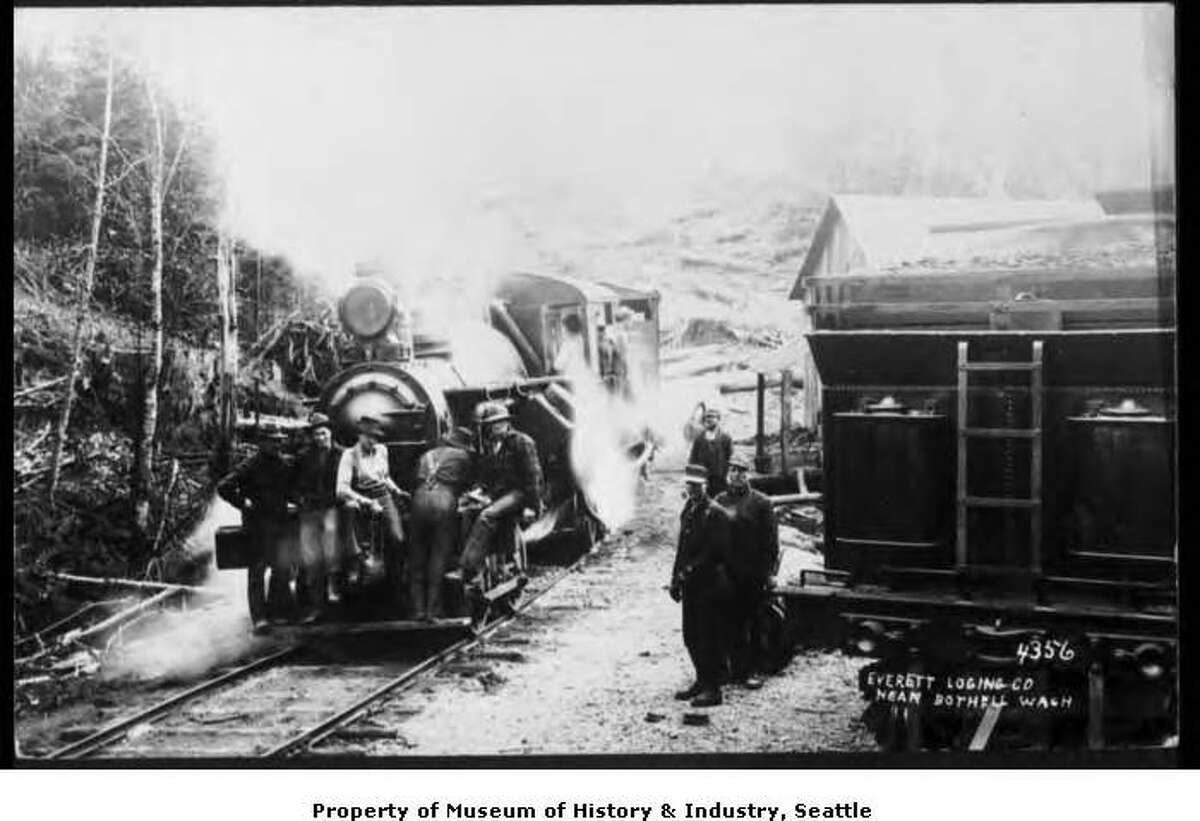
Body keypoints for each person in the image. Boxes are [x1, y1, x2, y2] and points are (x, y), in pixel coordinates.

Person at [457, 401, 543, 600]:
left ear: (507, 423)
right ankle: (481, 565)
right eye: (491, 424)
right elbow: (485, 475)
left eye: (499, 423)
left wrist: (532, 506)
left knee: (487, 515)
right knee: (467, 511)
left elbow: (533, 477)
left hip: (519, 492)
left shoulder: (522, 442)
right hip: (499, 494)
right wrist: (477, 490)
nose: (495, 427)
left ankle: (468, 567)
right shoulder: (489, 446)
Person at [216, 428, 298, 629]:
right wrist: (243, 503)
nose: (277, 445)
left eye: (279, 441)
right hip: (257, 527)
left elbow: (290, 490)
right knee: (257, 571)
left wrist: (294, 502)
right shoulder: (250, 465)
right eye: (272, 441)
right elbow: (224, 487)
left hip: (280, 523)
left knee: (281, 569)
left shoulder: (283, 464)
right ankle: (259, 618)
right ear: (262, 443)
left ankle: (275, 612)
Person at [670, 463, 734, 708]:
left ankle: (713, 689)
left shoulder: (715, 513)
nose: (693, 488)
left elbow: (715, 552)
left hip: (710, 585)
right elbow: (682, 549)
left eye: (697, 485)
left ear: (706, 485)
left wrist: (689, 571)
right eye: (689, 484)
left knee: (709, 637)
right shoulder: (689, 509)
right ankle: (701, 680)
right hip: (691, 585)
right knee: (691, 636)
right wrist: (675, 578)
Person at [714, 454, 780, 690]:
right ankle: (733, 668)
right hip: (725, 573)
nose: (736, 475)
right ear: (727, 475)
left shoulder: (761, 503)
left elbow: (771, 543)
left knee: (752, 622)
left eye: (741, 472)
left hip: (752, 573)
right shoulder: (719, 500)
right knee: (726, 620)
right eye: (732, 471)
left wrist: (769, 573)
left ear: (748, 475)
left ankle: (752, 671)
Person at [336, 416, 410, 602]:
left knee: (397, 538)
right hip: (361, 498)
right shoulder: (349, 455)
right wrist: (367, 503)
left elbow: (385, 477)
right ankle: (362, 584)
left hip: (383, 496)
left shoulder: (382, 451)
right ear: (360, 436)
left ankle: (396, 582)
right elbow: (342, 490)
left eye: (376, 438)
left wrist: (397, 490)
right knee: (363, 545)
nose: (372, 441)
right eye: (369, 437)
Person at [409, 426, 475, 620]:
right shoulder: (462, 456)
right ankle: (434, 610)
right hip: (444, 502)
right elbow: (469, 482)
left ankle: (417, 610)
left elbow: (415, 479)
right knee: (439, 555)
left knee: (417, 556)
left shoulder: (426, 455)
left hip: (419, 501)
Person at [292, 412, 343, 620]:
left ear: (330, 433)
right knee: (311, 557)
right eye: (316, 435)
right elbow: (293, 483)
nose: (320, 438)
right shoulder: (303, 457)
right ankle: (316, 606)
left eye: (323, 433)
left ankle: (333, 586)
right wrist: (299, 499)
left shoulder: (342, 455)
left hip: (332, 507)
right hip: (310, 509)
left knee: (331, 543)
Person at [688, 406, 733, 497]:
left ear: (718, 419)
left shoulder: (725, 438)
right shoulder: (699, 439)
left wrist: (728, 475)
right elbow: (693, 459)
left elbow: (730, 457)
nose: (709, 419)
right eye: (707, 417)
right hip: (703, 479)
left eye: (712, 417)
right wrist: (691, 480)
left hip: (720, 479)